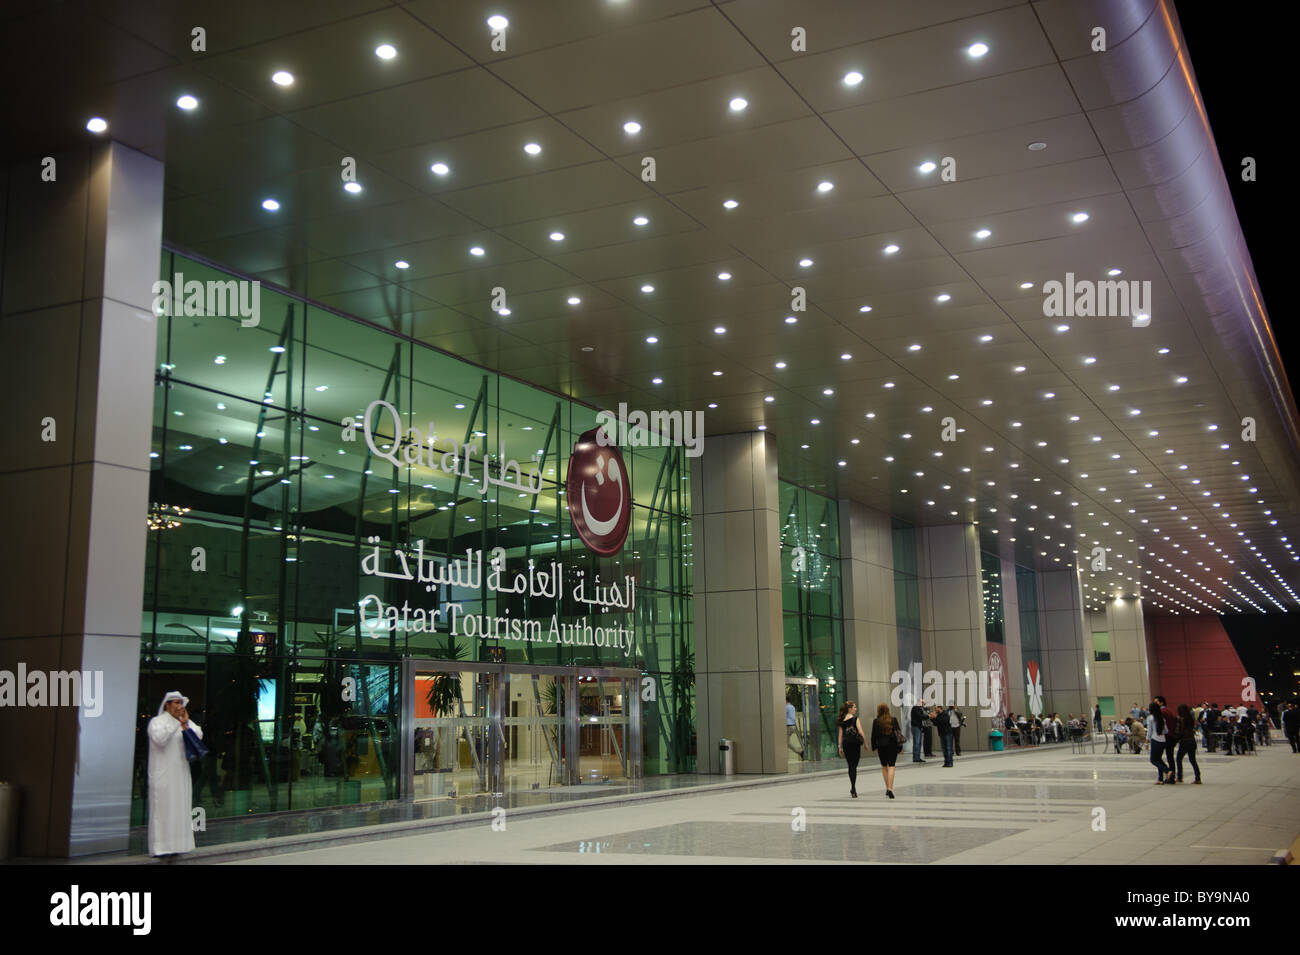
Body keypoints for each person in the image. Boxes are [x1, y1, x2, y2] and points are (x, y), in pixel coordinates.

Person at [148, 690, 201, 857]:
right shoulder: (157, 722)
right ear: (167, 705)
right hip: (162, 775)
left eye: (181, 703)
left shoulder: (184, 722)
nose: (179, 706)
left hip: (181, 774)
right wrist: (176, 723)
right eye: (176, 703)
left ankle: (180, 845)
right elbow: (160, 739)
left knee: (180, 809)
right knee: (163, 811)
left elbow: (198, 735)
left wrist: (185, 724)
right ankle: (161, 848)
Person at [870, 703, 902, 798]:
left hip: (881, 746)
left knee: (884, 766)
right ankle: (890, 789)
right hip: (893, 746)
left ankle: (887, 787)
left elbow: (873, 736)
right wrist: (900, 747)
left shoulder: (876, 721)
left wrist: (874, 747)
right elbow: (898, 734)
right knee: (891, 766)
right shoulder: (893, 720)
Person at [836, 701, 866, 797]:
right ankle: (853, 787)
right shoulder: (855, 719)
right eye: (854, 707)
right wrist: (865, 743)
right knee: (854, 765)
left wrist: (839, 747)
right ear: (850, 709)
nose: (855, 709)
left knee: (850, 765)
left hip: (846, 744)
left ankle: (853, 787)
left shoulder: (842, 720)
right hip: (855, 744)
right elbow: (861, 732)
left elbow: (840, 735)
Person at [1146, 700, 1173, 784]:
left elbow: (1149, 731)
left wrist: (1147, 740)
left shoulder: (1150, 718)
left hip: (1155, 739)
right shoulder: (1162, 718)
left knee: (1153, 760)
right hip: (1163, 740)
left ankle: (1167, 771)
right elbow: (1166, 731)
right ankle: (1160, 779)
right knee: (1158, 759)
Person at [1174, 703, 1201, 784]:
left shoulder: (1181, 719)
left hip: (1184, 741)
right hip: (1192, 740)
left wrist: (1176, 739)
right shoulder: (1191, 719)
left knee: (1179, 759)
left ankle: (1179, 777)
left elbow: (1180, 731)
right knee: (1193, 760)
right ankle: (1198, 778)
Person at [785, 695, 804, 759]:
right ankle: (800, 752)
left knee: (785, 743)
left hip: (788, 726)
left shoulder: (786, 707)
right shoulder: (792, 707)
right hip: (792, 726)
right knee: (786, 743)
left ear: (786, 700)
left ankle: (800, 752)